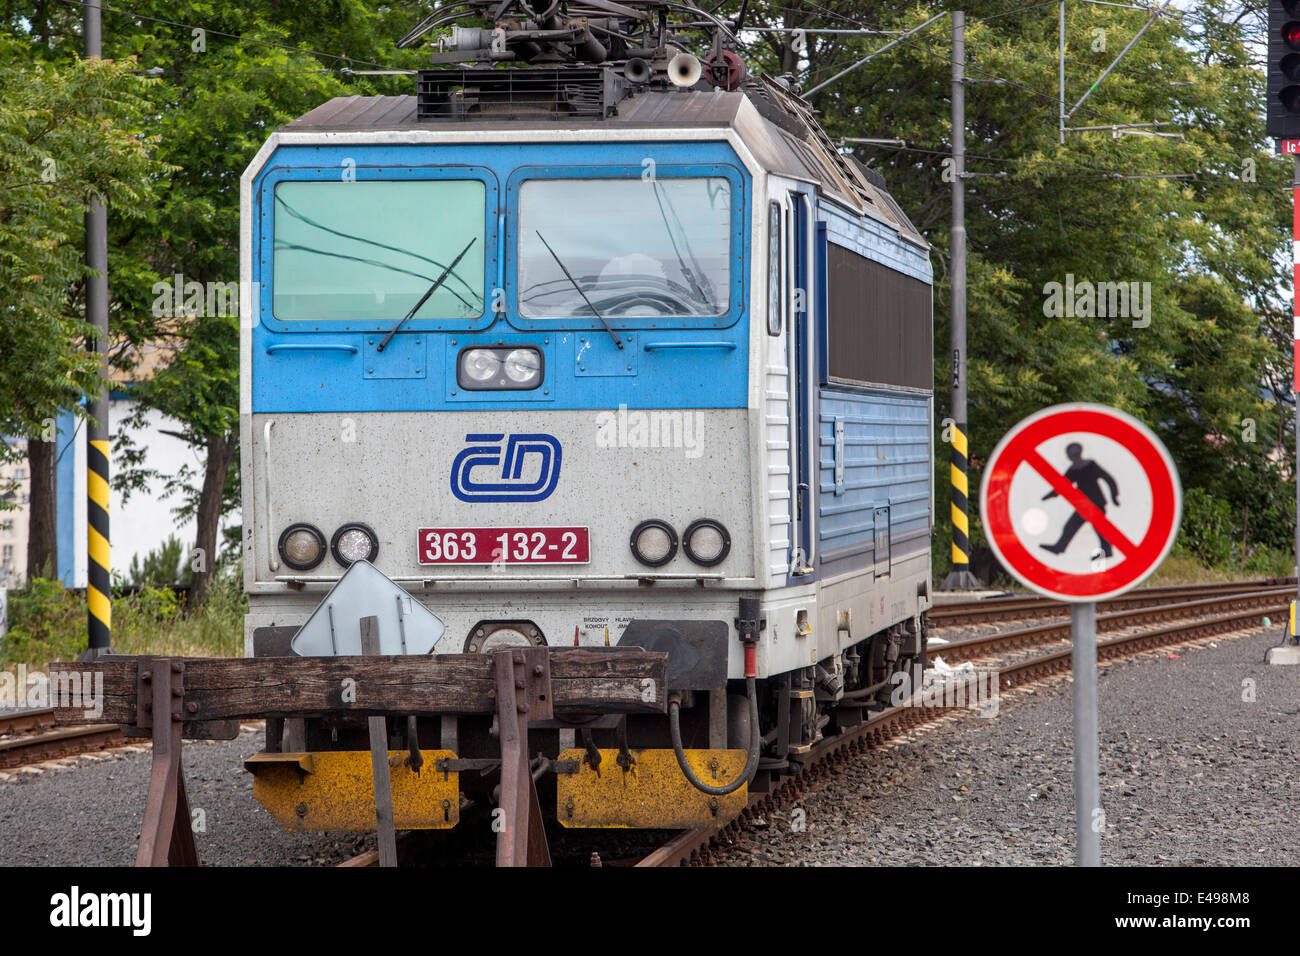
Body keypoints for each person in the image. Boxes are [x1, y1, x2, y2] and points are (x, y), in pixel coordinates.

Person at [1039, 442, 1120, 558]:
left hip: (1095, 503)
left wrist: (1114, 496)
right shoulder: (1073, 470)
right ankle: (1060, 547)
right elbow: (1062, 486)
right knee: (1074, 526)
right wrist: (1048, 496)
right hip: (1084, 504)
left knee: (1097, 528)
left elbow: (1108, 479)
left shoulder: (1090, 465)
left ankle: (1105, 550)